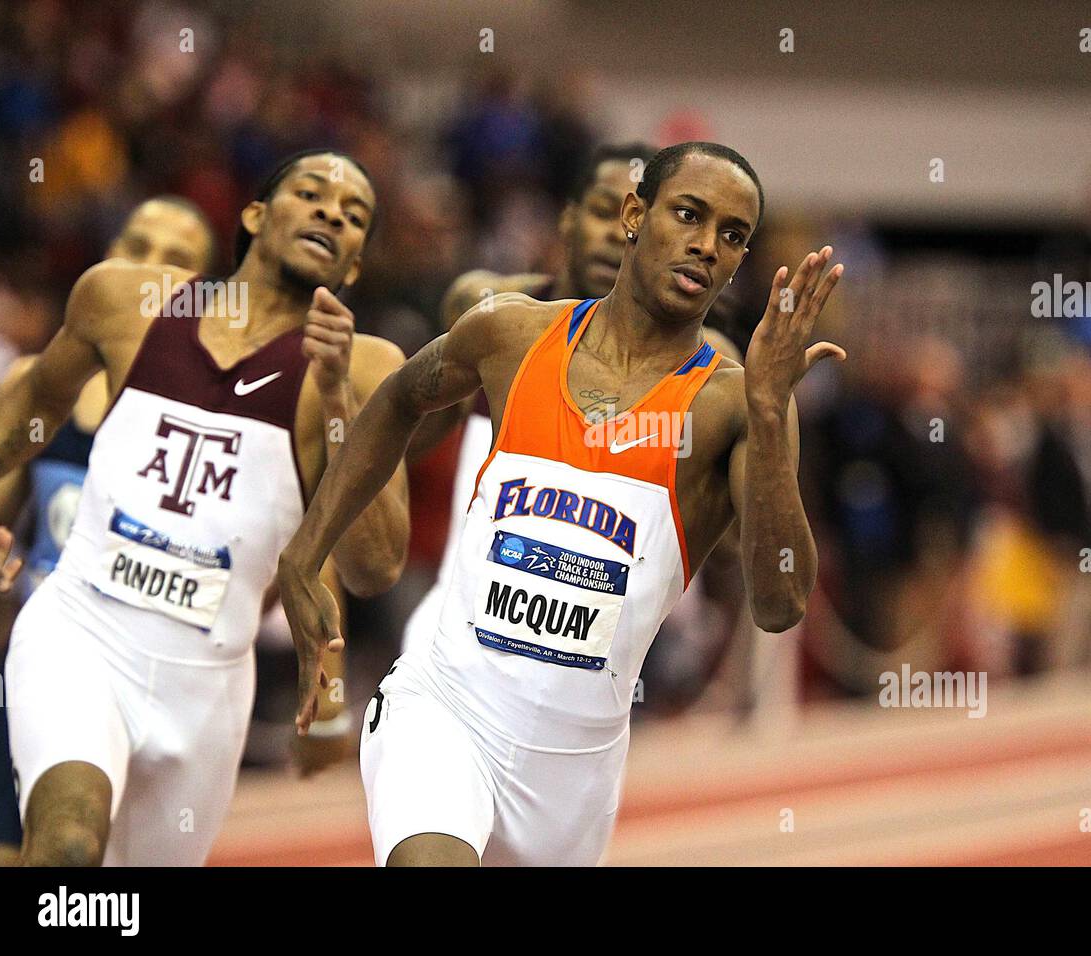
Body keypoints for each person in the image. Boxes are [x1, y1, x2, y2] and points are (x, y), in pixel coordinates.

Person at [279, 141, 844, 866]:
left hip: (573, 778)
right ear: (637, 214)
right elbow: (395, 401)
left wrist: (769, 418)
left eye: (733, 235)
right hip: (446, 706)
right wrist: (304, 555)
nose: (707, 246)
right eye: (689, 215)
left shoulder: (732, 403)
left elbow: (781, 602)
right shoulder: (512, 333)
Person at [0, 149, 410, 866]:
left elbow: (373, 567)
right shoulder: (126, 302)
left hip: (207, 682)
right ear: (254, 216)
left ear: (355, 267)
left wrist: (338, 398)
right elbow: (25, 417)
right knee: (64, 846)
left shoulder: (367, 367)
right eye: (310, 194)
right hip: (81, 633)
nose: (330, 213)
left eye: (353, 215)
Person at [403, 142, 744, 682]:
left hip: (598, 654)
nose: (615, 233)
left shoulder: (716, 370)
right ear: (567, 218)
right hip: (456, 623)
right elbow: (407, 442)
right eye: (602, 211)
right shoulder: (491, 311)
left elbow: (730, 536)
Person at [0, 196, 216, 867]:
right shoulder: (41, 382)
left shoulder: (226, 411)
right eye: (136, 247)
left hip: (165, 684)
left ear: (204, 292)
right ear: (109, 255)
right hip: (42, 669)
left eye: (175, 261)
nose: (148, 271)